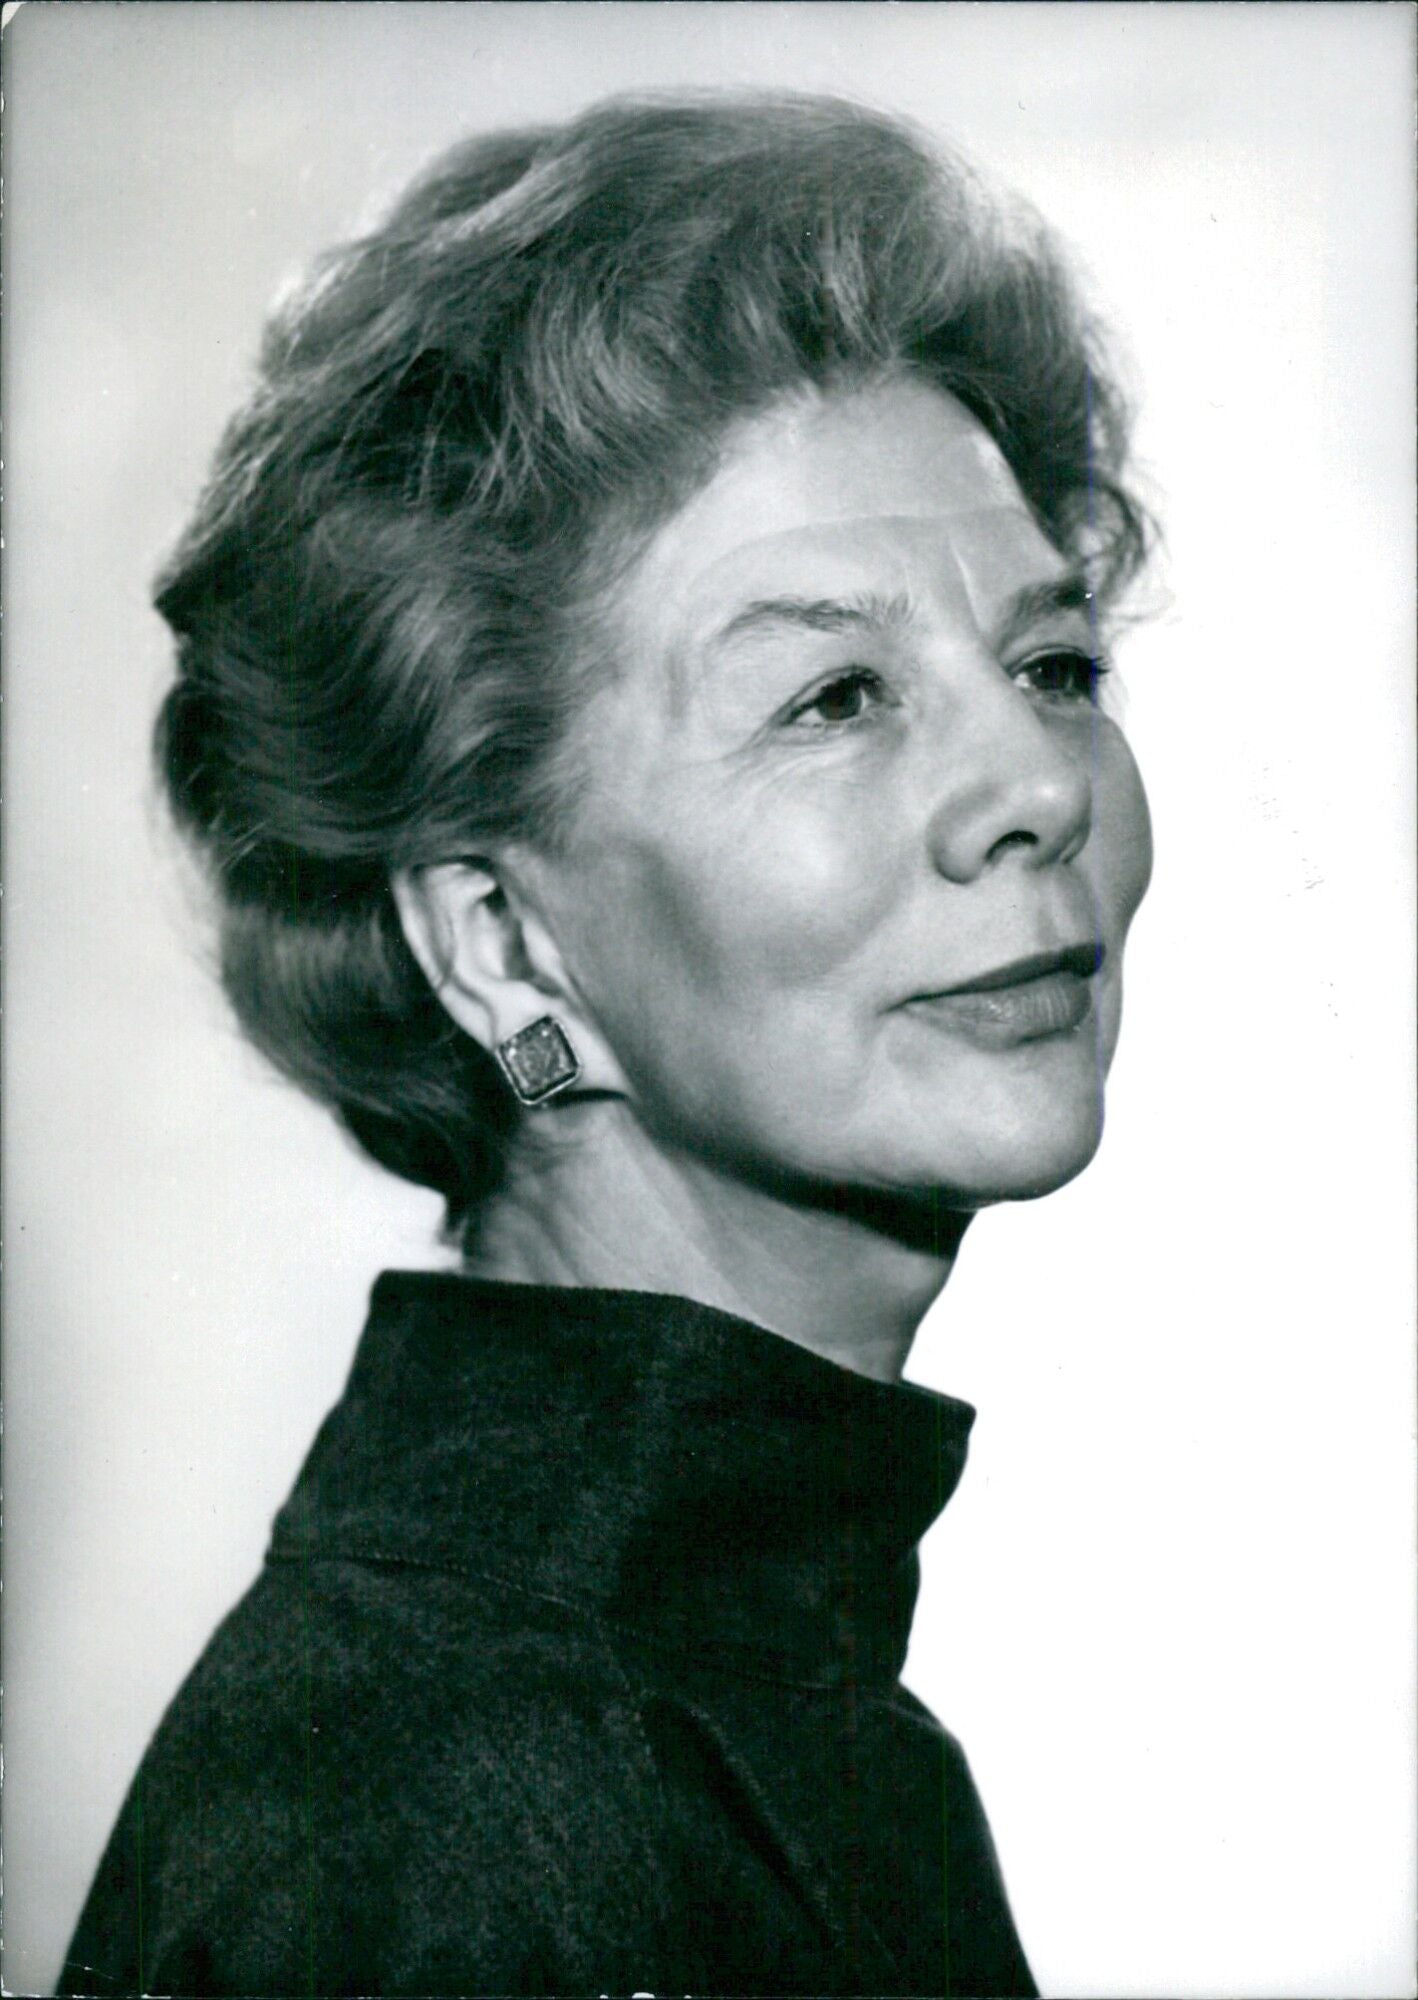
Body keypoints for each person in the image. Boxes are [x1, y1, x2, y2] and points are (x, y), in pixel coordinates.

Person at [62, 91, 1152, 1997]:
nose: (1027, 786)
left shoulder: (723, 1689)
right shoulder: (462, 1801)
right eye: (831, 696)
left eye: (1053, 664)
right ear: (501, 944)